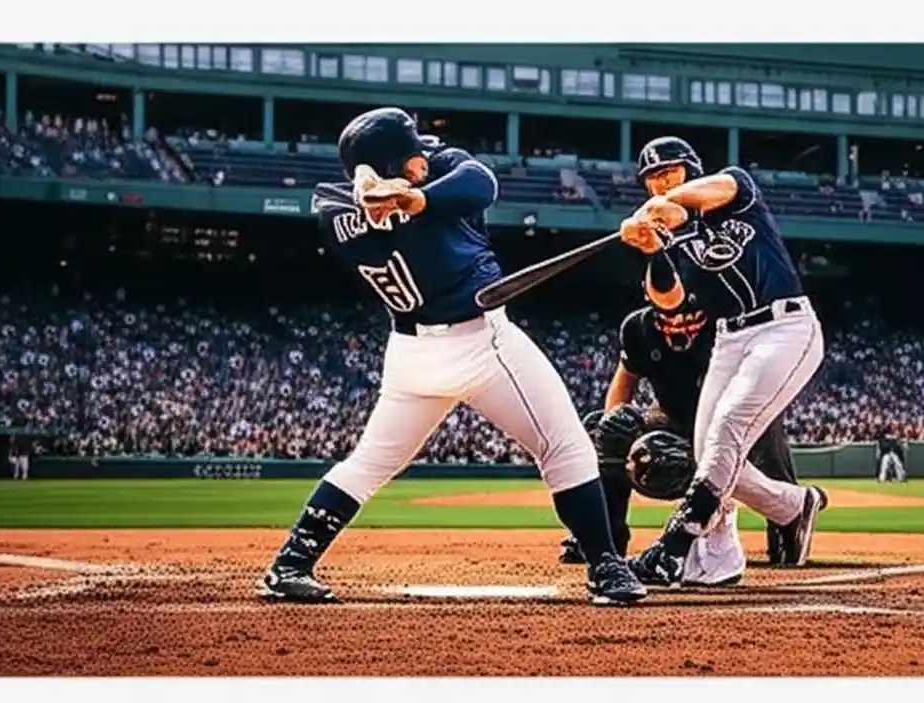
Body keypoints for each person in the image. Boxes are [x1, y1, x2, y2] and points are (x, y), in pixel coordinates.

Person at [259, 107, 645, 606]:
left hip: (456, 339)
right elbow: (361, 215)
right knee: (560, 446)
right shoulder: (336, 208)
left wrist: (413, 197)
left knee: (554, 445)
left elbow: (480, 183)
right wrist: (381, 194)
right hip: (456, 349)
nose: (424, 154)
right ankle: (607, 567)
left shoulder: (436, 172)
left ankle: (291, 562)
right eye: (412, 152)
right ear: (385, 163)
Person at [617, 136, 828, 587]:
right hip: (729, 338)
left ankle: (672, 548)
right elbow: (668, 301)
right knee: (706, 453)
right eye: (653, 177)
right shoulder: (671, 239)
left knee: (729, 426)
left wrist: (655, 208)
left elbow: (709, 193)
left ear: (691, 169)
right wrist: (653, 248)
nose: (661, 181)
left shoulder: (735, 187)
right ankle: (752, 534)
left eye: (670, 171)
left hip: (784, 326)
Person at [558, 295, 827, 582]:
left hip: (737, 426)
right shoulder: (638, 328)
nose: (679, 322)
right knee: (607, 424)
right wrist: (610, 434)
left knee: (746, 428)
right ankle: (606, 538)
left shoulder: (729, 326)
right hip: (675, 423)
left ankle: (788, 513)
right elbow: (622, 386)